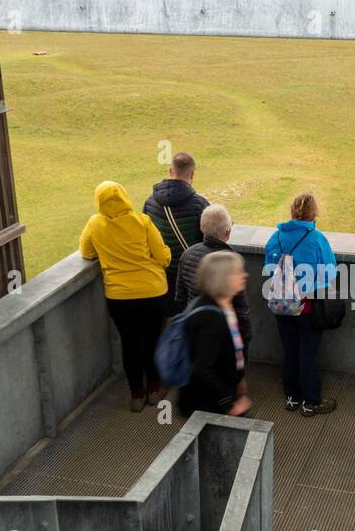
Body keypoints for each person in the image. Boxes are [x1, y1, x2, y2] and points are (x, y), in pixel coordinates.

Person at [79, 181, 173, 413]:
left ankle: (136, 395)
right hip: (153, 292)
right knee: (153, 340)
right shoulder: (142, 221)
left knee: (130, 343)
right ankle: (154, 389)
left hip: (119, 297)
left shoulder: (95, 224)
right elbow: (163, 256)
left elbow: (86, 251)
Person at [264, 192, 338, 417]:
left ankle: (292, 397)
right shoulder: (316, 239)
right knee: (308, 352)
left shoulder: (275, 238)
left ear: (293, 211)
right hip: (307, 308)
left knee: (289, 351)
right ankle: (311, 402)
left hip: (281, 305)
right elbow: (330, 272)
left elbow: (268, 270)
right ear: (313, 212)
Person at [178, 251, 252, 418]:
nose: (245, 275)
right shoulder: (211, 318)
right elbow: (202, 368)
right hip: (207, 402)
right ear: (222, 278)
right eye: (237, 272)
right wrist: (229, 402)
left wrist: (238, 377)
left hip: (220, 391)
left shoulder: (225, 305)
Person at [174, 204, 252, 353]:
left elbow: (180, 298)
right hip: (223, 334)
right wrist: (245, 338)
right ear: (228, 233)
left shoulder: (188, 254)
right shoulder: (232, 261)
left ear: (202, 228)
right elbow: (241, 308)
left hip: (194, 329)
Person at [144, 151, 209, 314]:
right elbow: (210, 240)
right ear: (192, 174)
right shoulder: (200, 204)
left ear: (170, 171)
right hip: (191, 276)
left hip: (160, 276)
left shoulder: (150, 202)